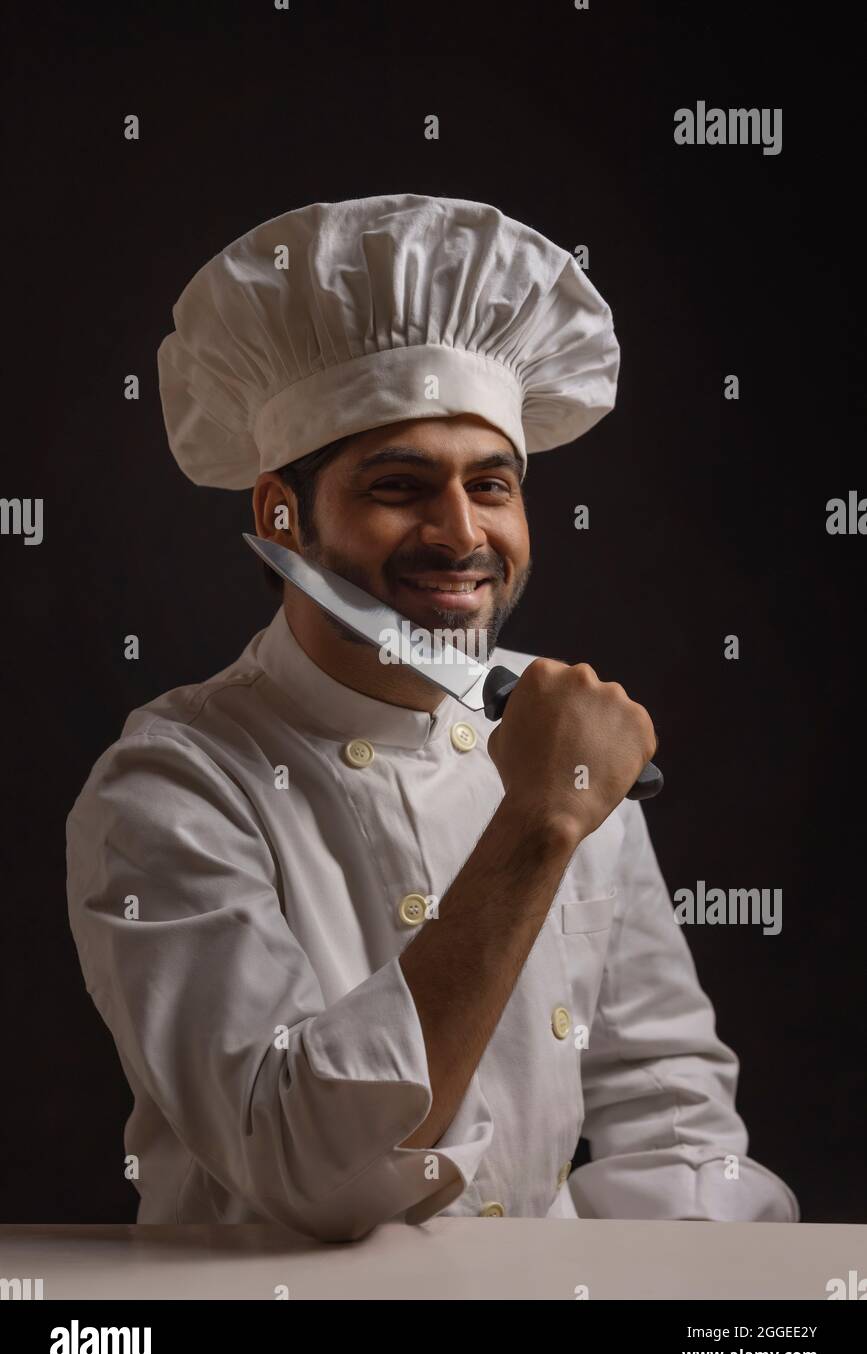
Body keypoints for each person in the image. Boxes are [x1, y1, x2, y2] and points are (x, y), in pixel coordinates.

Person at [65, 194, 799, 1240]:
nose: (462, 533)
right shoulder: (172, 784)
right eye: (401, 485)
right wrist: (538, 825)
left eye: (491, 484)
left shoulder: (556, 719)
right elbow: (305, 1166)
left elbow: (670, 1100)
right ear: (281, 516)